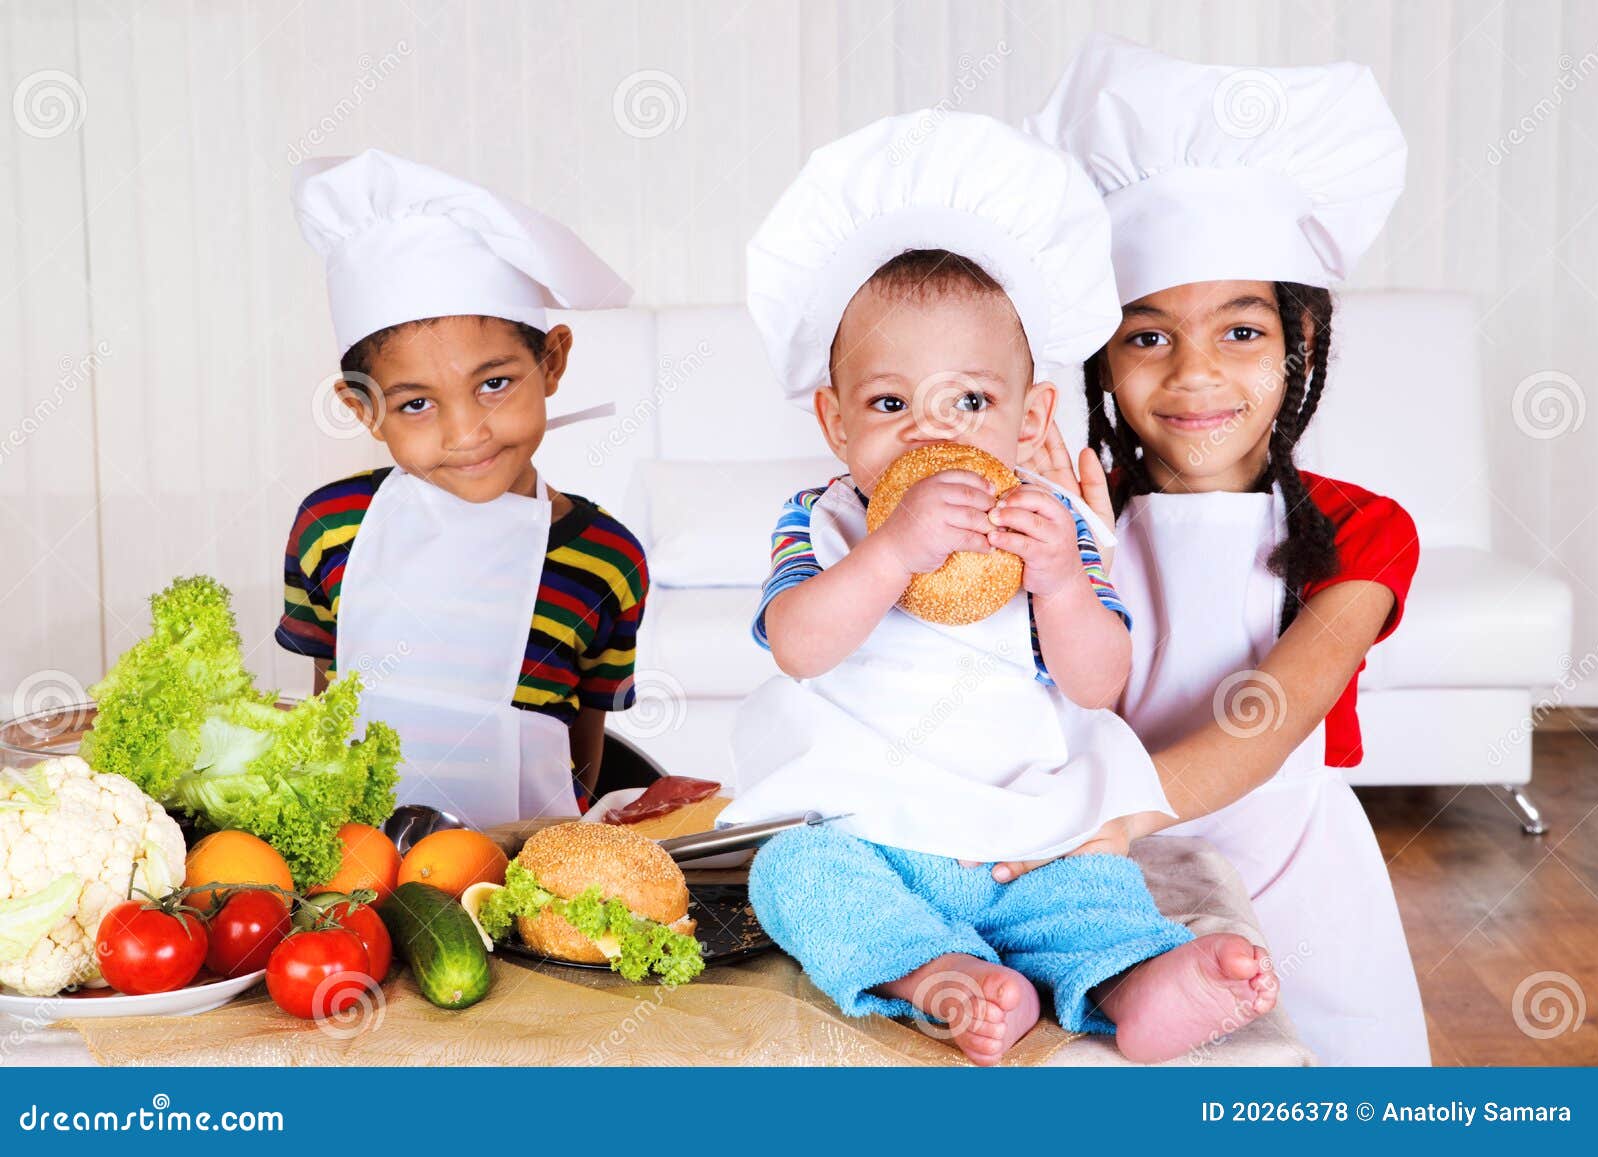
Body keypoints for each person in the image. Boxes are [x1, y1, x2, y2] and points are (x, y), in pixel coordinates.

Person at [722, 111, 1278, 1066]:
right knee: (790, 876)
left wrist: (1062, 579)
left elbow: (1101, 683)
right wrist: (888, 554)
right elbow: (797, 647)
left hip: (1028, 835)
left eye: (970, 401)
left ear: (1031, 422)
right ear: (834, 420)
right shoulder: (822, 520)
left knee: (1097, 892)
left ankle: (1142, 980)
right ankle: (935, 972)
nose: (929, 431)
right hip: (873, 835)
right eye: (889, 404)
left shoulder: (1048, 525)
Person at [1022, 34, 1429, 1065]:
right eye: (1147, 335)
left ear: (1298, 342)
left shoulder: (1361, 530)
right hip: (1095, 881)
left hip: (1289, 872)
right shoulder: (1073, 505)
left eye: (1240, 332)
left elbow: (1271, 713)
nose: (1193, 374)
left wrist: (1108, 820)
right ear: (1102, 361)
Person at [275, 149, 647, 829]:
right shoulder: (330, 526)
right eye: (416, 404)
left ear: (553, 360)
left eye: (494, 384)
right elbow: (329, 713)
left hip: (529, 868)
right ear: (363, 408)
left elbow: (585, 758)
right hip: (363, 862)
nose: (467, 432)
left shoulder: (607, 559)